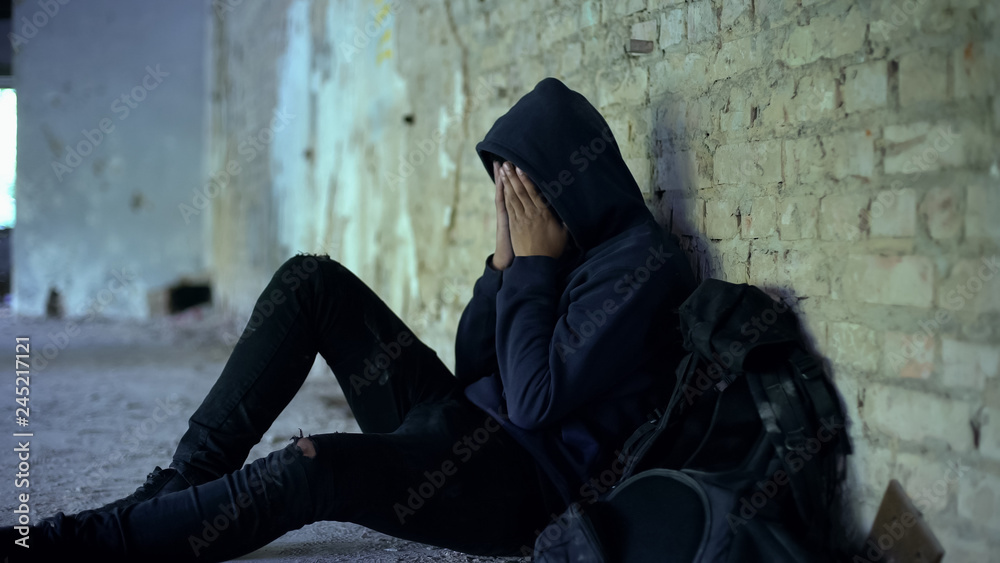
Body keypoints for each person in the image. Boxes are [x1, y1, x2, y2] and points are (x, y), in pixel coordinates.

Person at [2, 76, 697, 562]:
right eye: (504, 192)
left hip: (516, 485)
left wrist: (537, 269)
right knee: (313, 282)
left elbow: (533, 398)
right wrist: (504, 265)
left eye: (522, 192)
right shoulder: (556, 246)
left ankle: (79, 542)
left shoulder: (640, 264)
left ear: (572, 181)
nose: (514, 206)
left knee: (315, 466)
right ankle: (178, 488)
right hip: (463, 421)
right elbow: (477, 366)